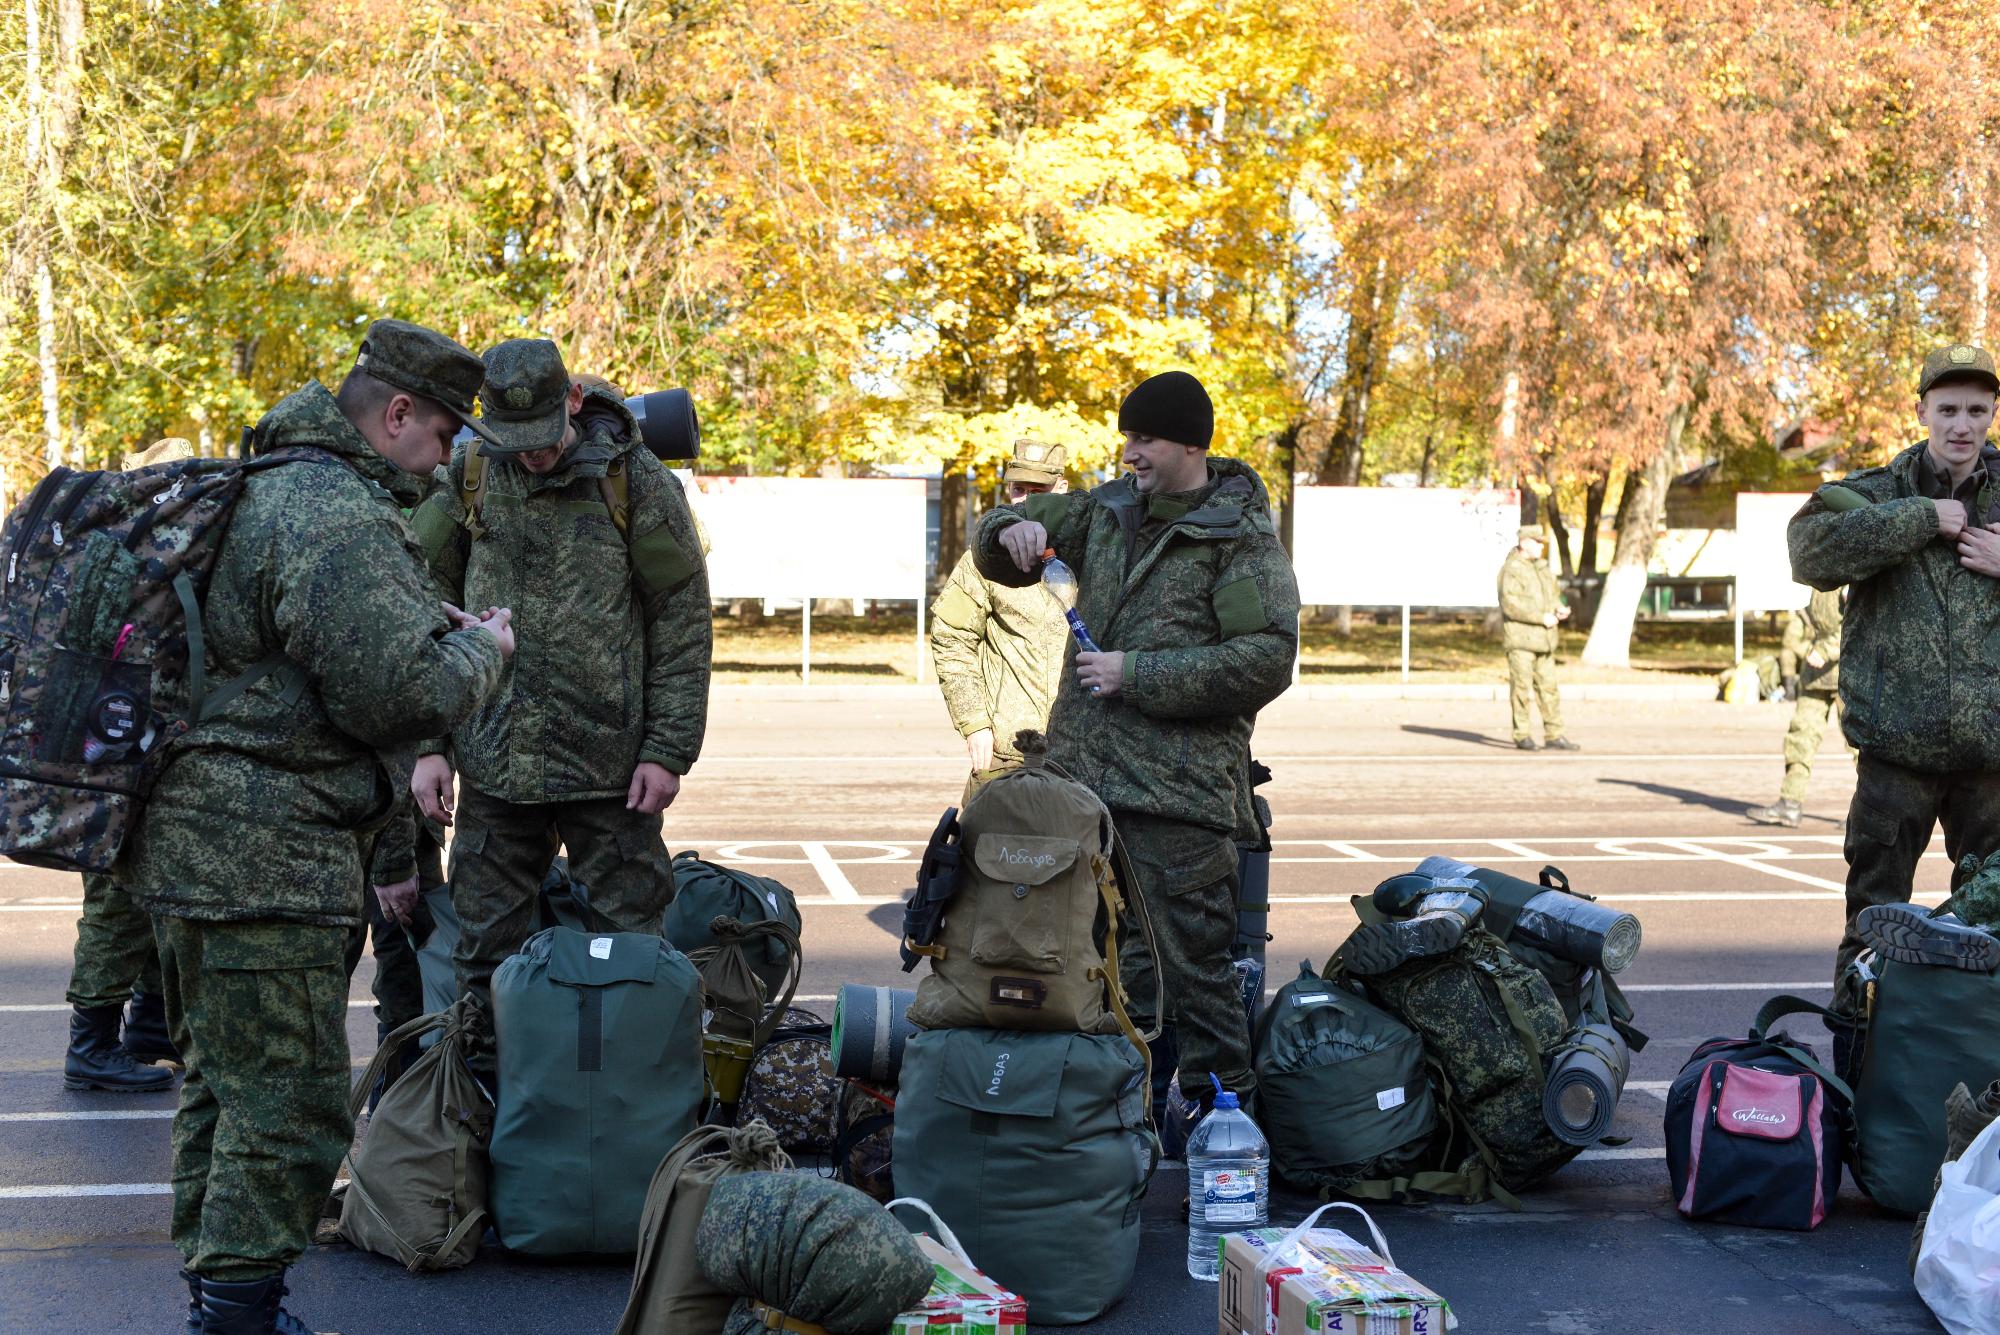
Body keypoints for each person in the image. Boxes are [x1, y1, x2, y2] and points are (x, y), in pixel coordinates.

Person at [121, 319, 513, 1334]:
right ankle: (239, 1316)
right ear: (395, 415)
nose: (445, 461)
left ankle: (224, 1299)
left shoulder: (265, 483)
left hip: (201, 850)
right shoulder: (331, 514)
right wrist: (485, 653)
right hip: (264, 857)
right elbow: (395, 693)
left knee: (224, 1090)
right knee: (289, 1111)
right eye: (440, 437)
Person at [971, 370, 1300, 1114]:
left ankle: (1228, 1142)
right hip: (1082, 788)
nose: (1130, 452)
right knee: (1094, 966)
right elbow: (995, 539)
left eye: (1144, 437)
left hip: (1177, 802)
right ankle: (1115, 1128)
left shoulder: (1236, 536)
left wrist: (1137, 674)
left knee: (1198, 977)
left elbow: (1265, 659)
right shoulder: (1111, 510)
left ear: (1189, 441)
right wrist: (1010, 532)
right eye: (1126, 437)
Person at [408, 339, 712, 1077]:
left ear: (573, 401)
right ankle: (487, 1115)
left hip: (610, 768)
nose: (530, 456)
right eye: (512, 441)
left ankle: (632, 1108)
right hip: (495, 763)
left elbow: (680, 616)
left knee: (633, 947)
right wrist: (430, 744)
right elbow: (420, 602)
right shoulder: (471, 474)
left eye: (540, 438)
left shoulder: (634, 482)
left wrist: (668, 749)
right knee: (483, 959)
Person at [1788, 342, 2000, 996]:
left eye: (1976, 410)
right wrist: (1919, 518)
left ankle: (1982, 1087)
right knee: (1872, 931)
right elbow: (1809, 552)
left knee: (1993, 928)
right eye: (1947, 410)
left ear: (1992, 413)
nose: (1961, 425)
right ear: (1922, 411)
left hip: (1990, 762)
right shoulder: (1878, 492)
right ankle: (1856, 1082)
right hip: (1894, 761)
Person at [61, 437, 198, 1095]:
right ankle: (90, 1043)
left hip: (132, 734)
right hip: (120, 738)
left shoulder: (121, 541)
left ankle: (148, 1024)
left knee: (148, 885)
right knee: (116, 894)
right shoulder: (124, 550)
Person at [930, 439, 1070, 787]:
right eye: (1018, 489)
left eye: (1038, 490)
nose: (1025, 500)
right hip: (1009, 754)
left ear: (1063, 489)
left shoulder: (1092, 553)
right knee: (990, 842)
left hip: (1080, 752)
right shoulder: (984, 560)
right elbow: (951, 638)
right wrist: (975, 722)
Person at [1747, 588, 1845, 828]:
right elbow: (1811, 620)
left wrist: (1825, 650)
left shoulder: (1849, 572)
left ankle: (1867, 814)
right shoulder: (1822, 574)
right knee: (1800, 738)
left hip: (1849, 673)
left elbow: (1860, 623)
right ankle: (1790, 803)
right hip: (1815, 676)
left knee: (1861, 747)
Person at [1498, 526, 1579, 751]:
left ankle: (1555, 734)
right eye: (1538, 542)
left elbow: (1551, 595)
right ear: (1524, 543)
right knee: (1521, 690)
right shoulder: (1511, 570)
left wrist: (1558, 608)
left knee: (1549, 689)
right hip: (1521, 641)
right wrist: (1540, 617)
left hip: (1544, 640)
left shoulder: (1542, 569)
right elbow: (1511, 604)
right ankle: (1522, 734)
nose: (1542, 546)